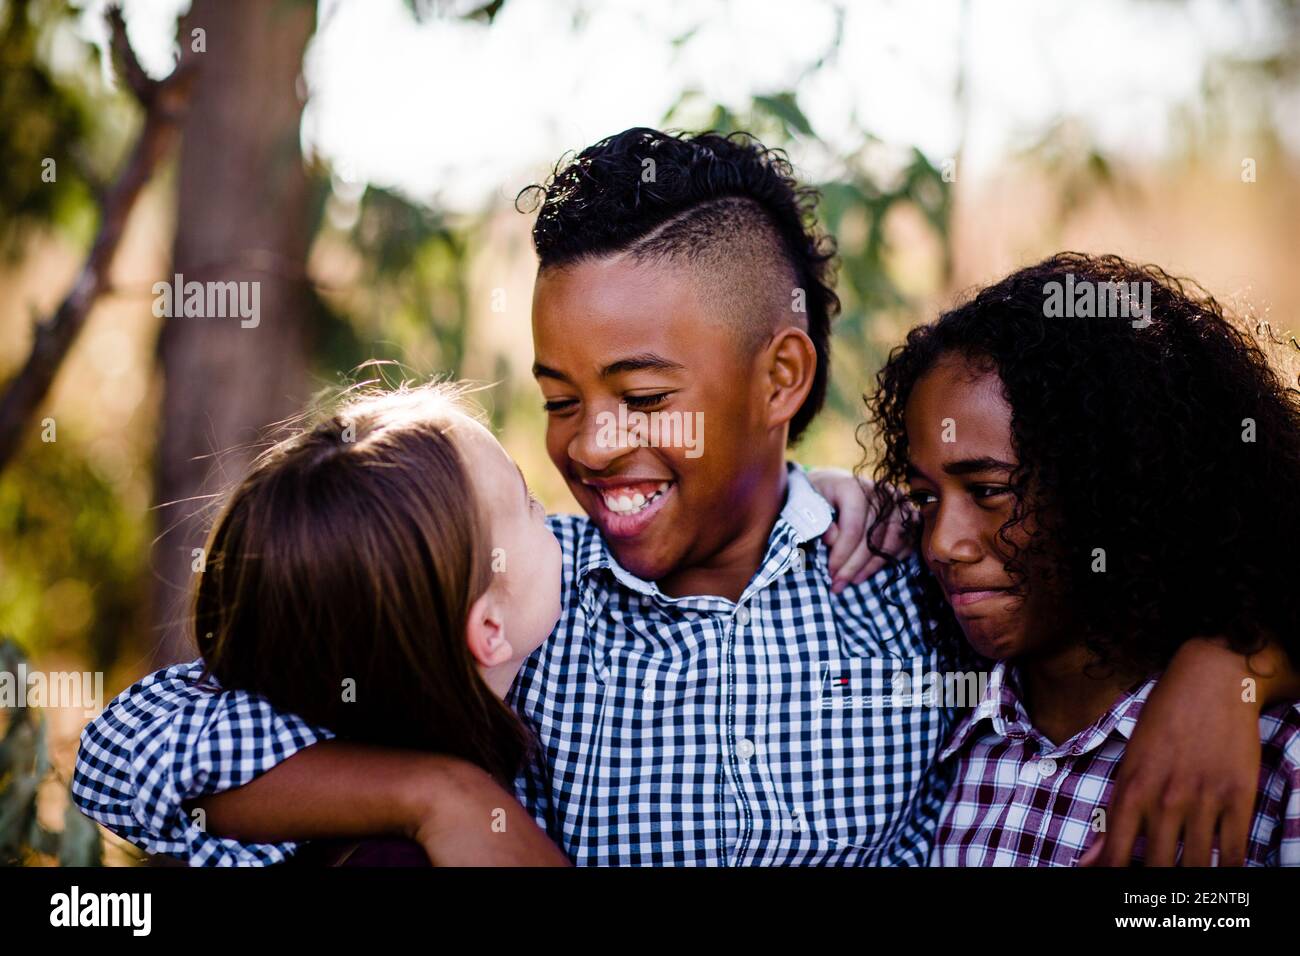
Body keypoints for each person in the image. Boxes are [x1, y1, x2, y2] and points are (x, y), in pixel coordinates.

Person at [74, 131, 1291, 867]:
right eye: (557, 396)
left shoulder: (912, 579)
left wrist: (1227, 660)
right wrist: (443, 793)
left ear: (781, 375)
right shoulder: (524, 604)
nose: (594, 445)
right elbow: (141, 748)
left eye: (644, 394)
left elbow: (1156, 558)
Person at [861, 253, 1300, 865]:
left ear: (1116, 485)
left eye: (989, 491)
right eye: (925, 497)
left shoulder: (1271, 763)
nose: (941, 543)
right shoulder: (950, 738)